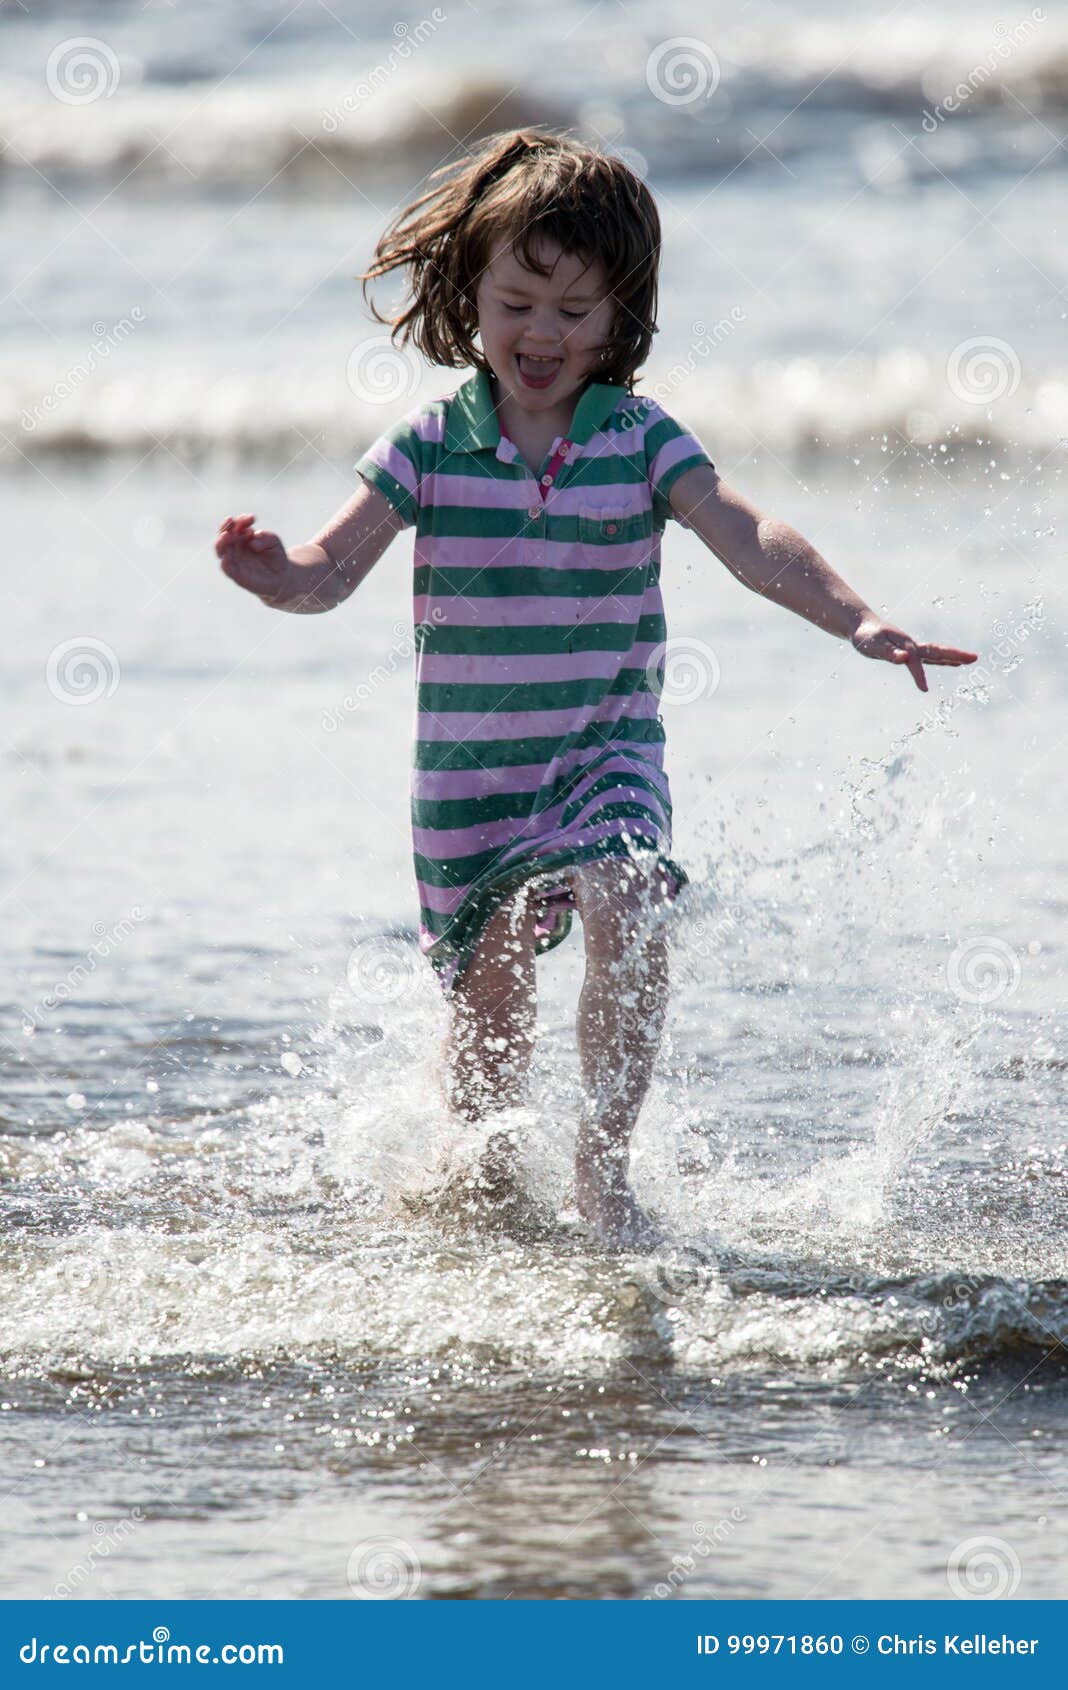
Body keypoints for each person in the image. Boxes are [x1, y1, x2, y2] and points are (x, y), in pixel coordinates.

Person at [215, 127, 977, 1251]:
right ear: (473, 291)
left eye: (577, 313)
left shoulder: (637, 438)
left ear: (623, 321)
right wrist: (277, 575)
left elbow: (746, 531)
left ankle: (603, 1171)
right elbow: (330, 574)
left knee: (629, 894)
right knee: (492, 1021)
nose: (543, 333)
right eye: (520, 300)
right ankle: (473, 1182)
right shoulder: (428, 446)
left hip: (603, 755)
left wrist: (855, 616)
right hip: (469, 787)